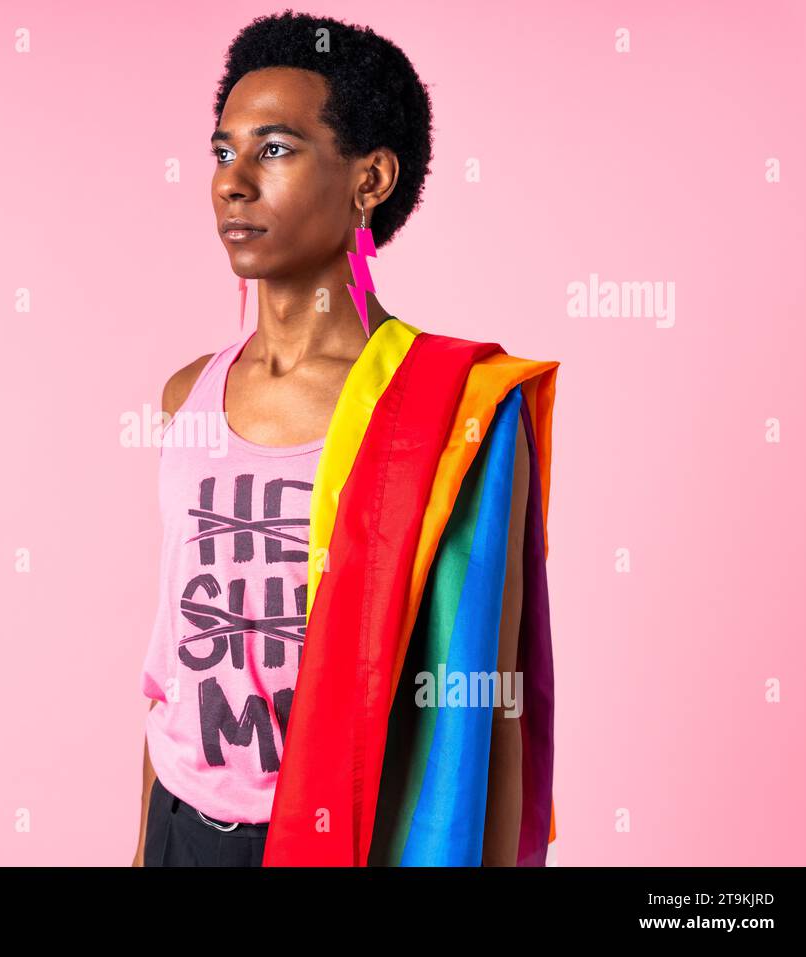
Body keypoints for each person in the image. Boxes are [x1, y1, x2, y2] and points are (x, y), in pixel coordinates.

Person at [134, 11, 558, 868]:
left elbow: (488, 700)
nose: (233, 182)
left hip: (347, 836)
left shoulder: (453, 411)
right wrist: (146, 845)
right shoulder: (188, 397)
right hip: (183, 826)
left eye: (276, 149)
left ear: (370, 179)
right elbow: (170, 664)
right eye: (223, 152)